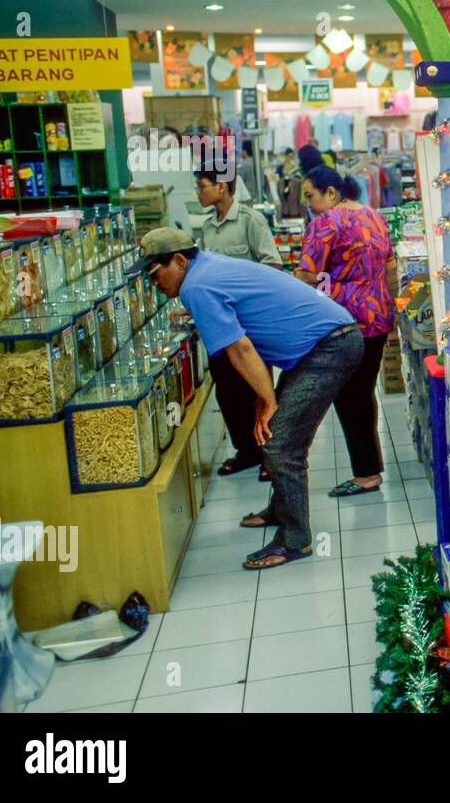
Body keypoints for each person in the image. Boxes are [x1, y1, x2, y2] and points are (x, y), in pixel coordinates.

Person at [138, 227, 362, 570]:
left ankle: (295, 540)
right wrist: (264, 397)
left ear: (180, 260)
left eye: (155, 273)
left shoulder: (197, 286)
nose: (154, 283)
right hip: (317, 345)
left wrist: (269, 402)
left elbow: (240, 349)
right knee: (274, 433)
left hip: (329, 346)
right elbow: (258, 330)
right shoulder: (206, 269)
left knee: (280, 443)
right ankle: (282, 510)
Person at [294, 166, 396, 498]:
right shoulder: (373, 216)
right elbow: (391, 265)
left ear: (332, 193)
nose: (308, 204)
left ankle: (367, 474)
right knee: (361, 392)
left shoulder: (326, 223)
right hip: (378, 315)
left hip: (345, 321)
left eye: (310, 195)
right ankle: (369, 469)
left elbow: (308, 274)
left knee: (351, 396)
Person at [193, 167, 283, 480]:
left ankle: (273, 457)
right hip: (220, 326)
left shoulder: (250, 220)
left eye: (202, 186)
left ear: (221, 186)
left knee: (259, 391)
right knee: (228, 392)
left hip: (249, 325)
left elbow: (272, 263)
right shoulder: (207, 228)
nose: (198, 192)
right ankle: (247, 451)